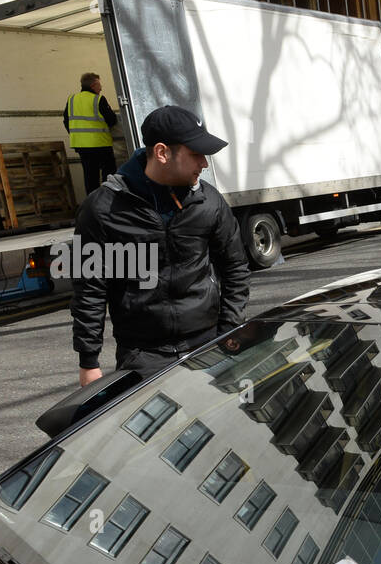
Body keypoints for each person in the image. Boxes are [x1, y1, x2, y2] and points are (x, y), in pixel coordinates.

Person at [71, 105, 250, 386]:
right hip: (142, 357)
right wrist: (88, 361)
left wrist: (228, 330)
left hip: (208, 346)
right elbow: (90, 287)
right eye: (195, 154)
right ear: (162, 152)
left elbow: (235, 267)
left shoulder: (209, 202)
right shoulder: (103, 209)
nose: (204, 163)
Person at [63, 72, 119, 197]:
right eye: (99, 85)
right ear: (94, 85)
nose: (101, 88)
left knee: (90, 177)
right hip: (101, 144)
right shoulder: (98, 99)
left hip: (82, 146)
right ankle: (108, 202)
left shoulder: (72, 99)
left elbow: (66, 121)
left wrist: (78, 135)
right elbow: (112, 120)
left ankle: (92, 205)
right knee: (108, 176)